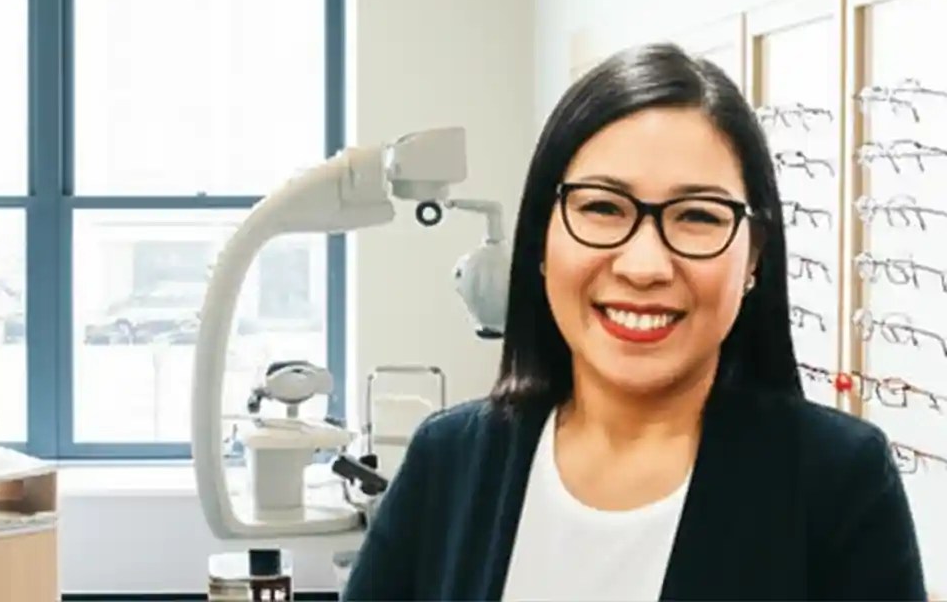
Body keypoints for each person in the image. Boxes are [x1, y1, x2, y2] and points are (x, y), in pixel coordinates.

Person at [341, 42, 926, 601]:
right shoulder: (450, 462)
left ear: (754, 257)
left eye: (697, 215)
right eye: (600, 207)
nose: (644, 266)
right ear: (541, 238)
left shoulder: (838, 482)